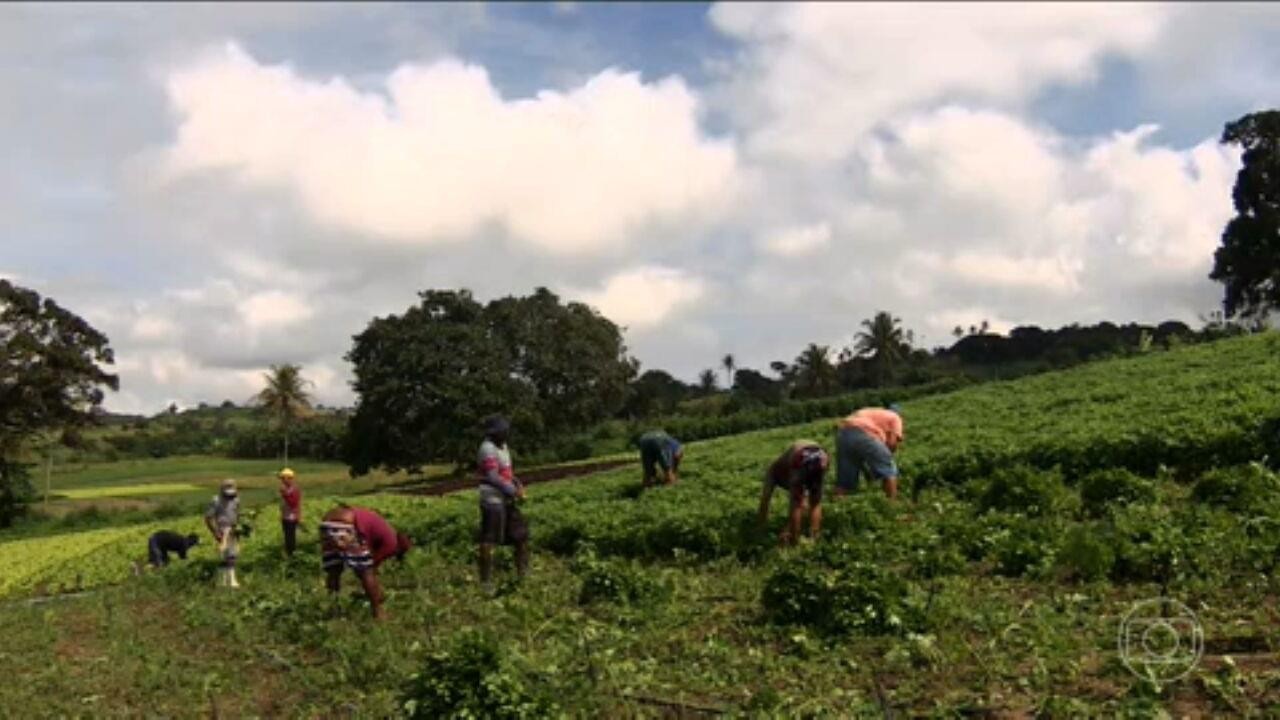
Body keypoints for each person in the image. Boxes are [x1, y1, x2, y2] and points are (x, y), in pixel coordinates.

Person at [319, 505, 412, 620]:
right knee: (367, 573)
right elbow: (370, 565)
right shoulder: (392, 544)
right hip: (347, 526)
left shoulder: (385, 528)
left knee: (334, 572)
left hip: (326, 525)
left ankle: (333, 608)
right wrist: (376, 592)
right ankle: (378, 612)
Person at [476, 415, 529, 591]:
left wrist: (516, 482)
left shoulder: (504, 446)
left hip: (507, 499)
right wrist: (513, 491)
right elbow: (492, 476)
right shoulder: (487, 449)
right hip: (492, 500)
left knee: (520, 535)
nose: (506, 433)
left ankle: (523, 575)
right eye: (503, 431)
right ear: (494, 433)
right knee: (489, 540)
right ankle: (486, 582)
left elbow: (506, 472)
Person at [757, 440, 829, 546]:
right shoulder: (783, 468)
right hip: (821, 455)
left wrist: (760, 527)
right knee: (815, 502)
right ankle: (814, 537)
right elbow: (804, 503)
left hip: (801, 456)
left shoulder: (772, 472)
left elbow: (765, 500)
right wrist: (787, 527)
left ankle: (794, 542)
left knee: (795, 504)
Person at [835, 403, 904, 499]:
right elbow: (892, 443)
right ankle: (892, 504)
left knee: (845, 479)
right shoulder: (895, 417)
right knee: (889, 471)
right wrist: (887, 457)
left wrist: (868, 470)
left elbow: (859, 453)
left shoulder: (870, 411)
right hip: (865, 432)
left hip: (843, 433)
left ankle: (838, 502)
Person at [205, 478, 242, 588]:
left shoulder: (236, 500)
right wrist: (215, 532)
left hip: (234, 529)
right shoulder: (216, 501)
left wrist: (239, 528)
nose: (229, 497)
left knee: (233, 554)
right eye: (227, 494)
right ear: (221, 491)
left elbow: (237, 514)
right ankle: (225, 581)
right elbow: (208, 518)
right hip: (222, 529)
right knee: (226, 555)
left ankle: (228, 580)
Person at [278, 467, 302, 556]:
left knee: (291, 538)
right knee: (287, 537)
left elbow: (293, 503)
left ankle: (292, 554)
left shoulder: (294, 490)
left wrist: (285, 494)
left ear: (290, 479)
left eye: (284, 478)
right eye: (282, 479)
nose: (282, 481)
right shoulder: (285, 489)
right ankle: (288, 553)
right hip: (285, 516)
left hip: (291, 517)